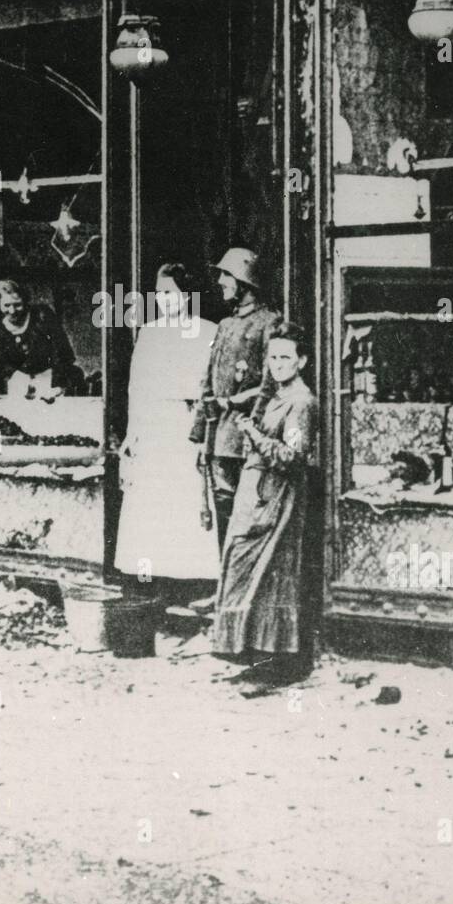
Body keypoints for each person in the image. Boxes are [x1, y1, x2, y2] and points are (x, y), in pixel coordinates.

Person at [211, 323, 319, 680]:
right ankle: (253, 654)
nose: (277, 364)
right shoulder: (274, 396)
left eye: (285, 357)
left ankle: (278, 662)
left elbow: (291, 456)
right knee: (244, 568)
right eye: (272, 357)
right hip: (256, 489)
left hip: (277, 494)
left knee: (272, 575)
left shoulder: (301, 402)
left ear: (301, 361)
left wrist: (253, 433)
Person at [115, 263, 220, 589]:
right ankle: (152, 578)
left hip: (187, 424)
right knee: (153, 499)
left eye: (171, 294)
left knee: (187, 497)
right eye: (159, 294)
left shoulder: (207, 331)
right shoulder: (149, 332)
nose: (165, 300)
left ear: (187, 295)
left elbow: (212, 385)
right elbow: (137, 386)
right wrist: (132, 433)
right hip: (153, 425)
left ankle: (192, 579)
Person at [188, 248, 281, 555]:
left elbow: (271, 382)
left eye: (226, 275)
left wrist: (251, 422)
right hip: (219, 437)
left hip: (246, 435)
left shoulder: (269, 322)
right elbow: (208, 378)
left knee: (248, 515)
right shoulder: (226, 325)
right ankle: (223, 589)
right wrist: (200, 429)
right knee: (223, 511)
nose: (220, 281)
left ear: (244, 280)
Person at [0, 279, 77, 418]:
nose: (12, 311)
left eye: (17, 305)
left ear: (25, 302)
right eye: (6, 305)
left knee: (52, 419)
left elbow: (62, 352)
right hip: (20, 381)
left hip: (50, 378)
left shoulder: (42, 317)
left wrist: (58, 386)